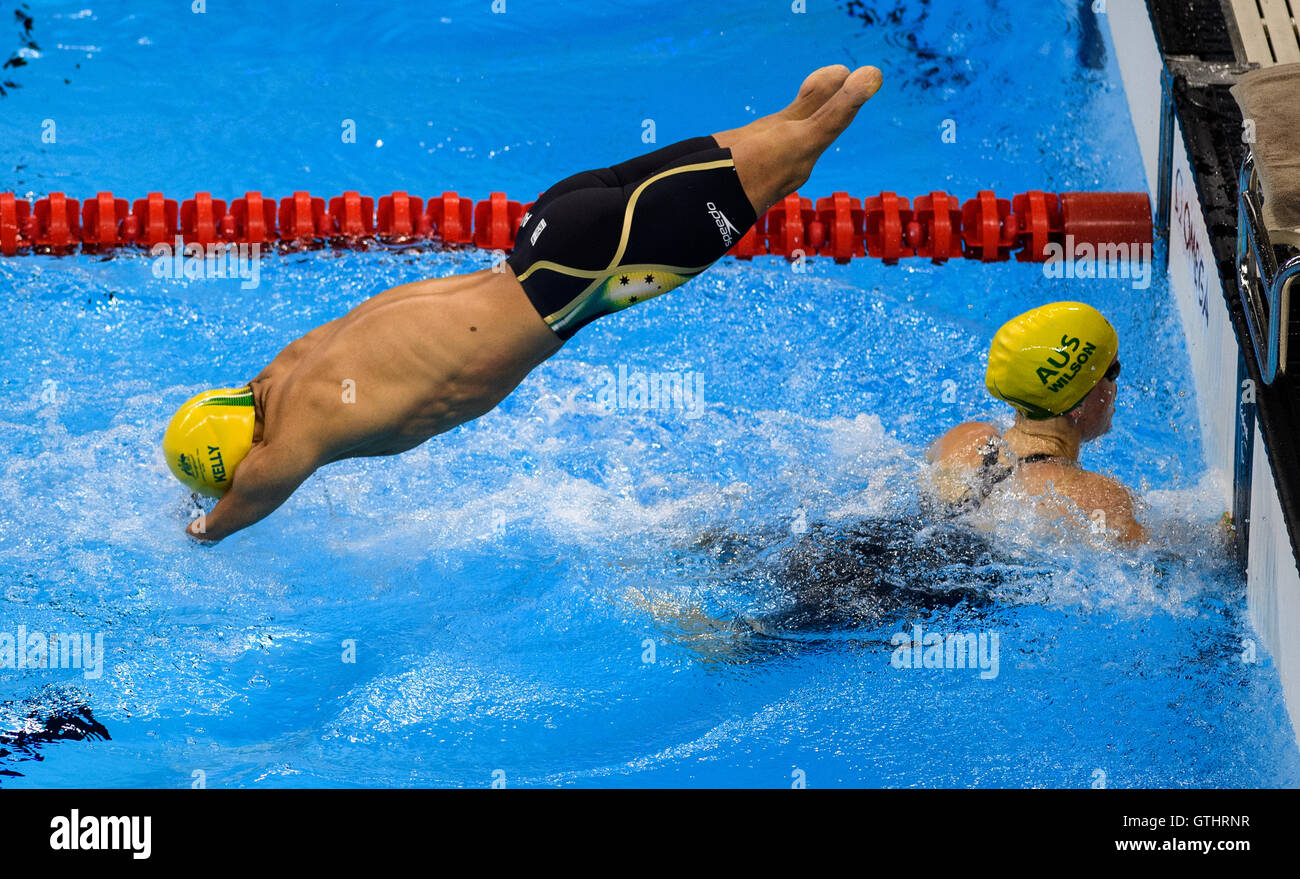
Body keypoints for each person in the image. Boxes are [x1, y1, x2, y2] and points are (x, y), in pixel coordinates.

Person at [162, 64, 885, 542]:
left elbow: (248, 498)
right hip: (550, 230)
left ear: (243, 452)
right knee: (771, 134)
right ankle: (815, 98)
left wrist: (198, 530)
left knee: (797, 156)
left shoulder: (303, 428)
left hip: (582, 271)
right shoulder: (284, 371)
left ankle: (855, 89)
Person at [925, 301, 1145, 544]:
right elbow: (1166, 563)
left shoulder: (962, 439)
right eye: (1113, 372)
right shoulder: (1096, 497)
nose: (1115, 388)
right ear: (1075, 404)